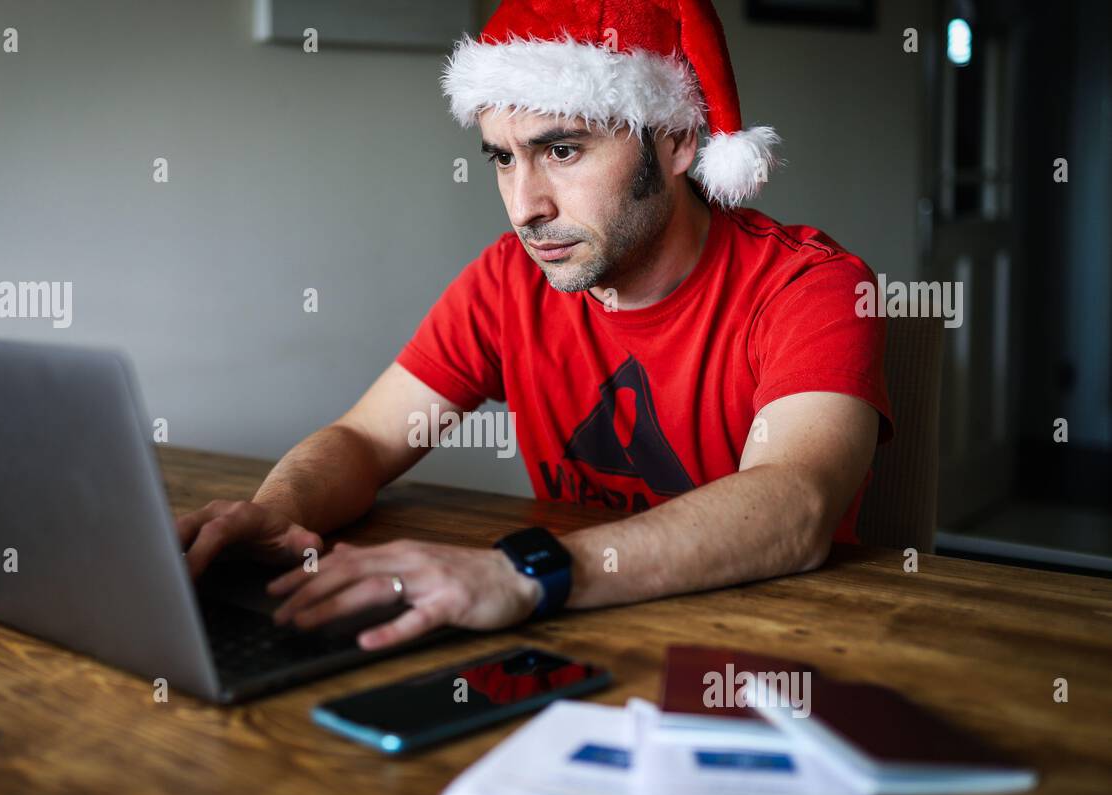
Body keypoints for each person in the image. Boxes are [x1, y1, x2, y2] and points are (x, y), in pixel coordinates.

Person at [177, 0, 893, 651]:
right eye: (502, 159)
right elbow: (365, 439)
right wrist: (279, 510)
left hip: (770, 656)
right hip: (575, 636)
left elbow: (795, 504)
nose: (525, 208)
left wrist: (523, 575)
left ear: (677, 140)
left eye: (562, 151)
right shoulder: (509, 281)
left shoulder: (812, 285)